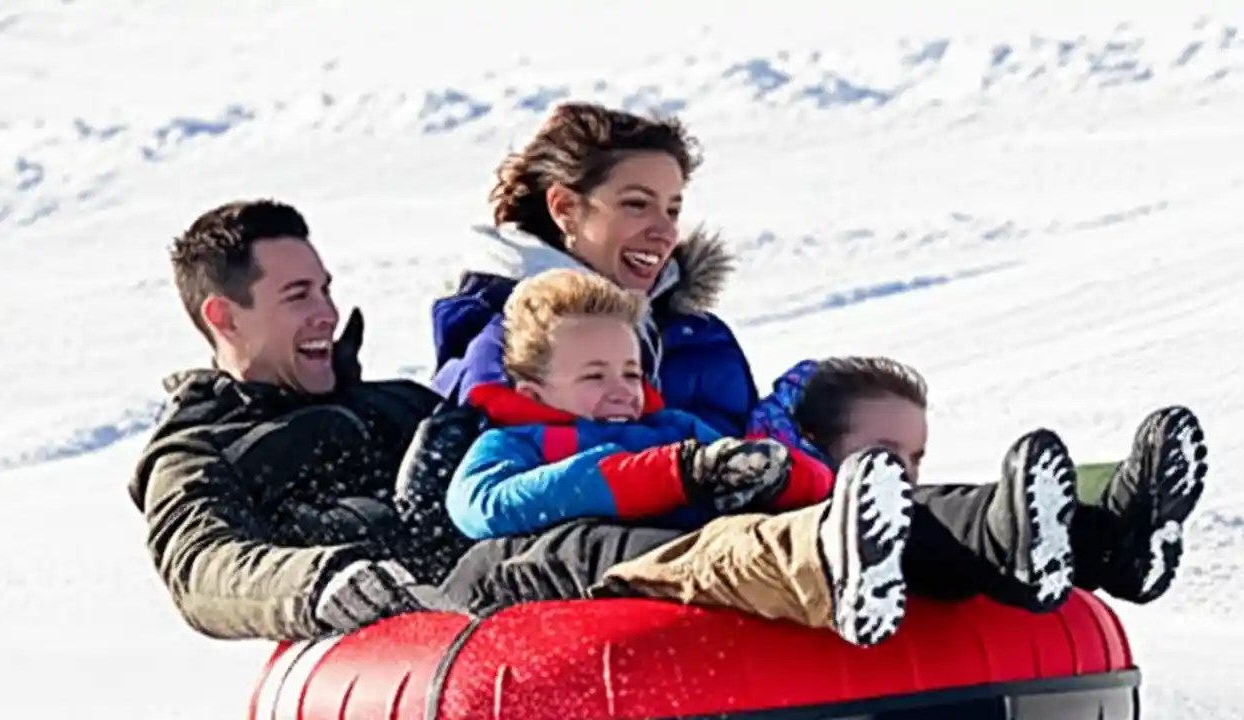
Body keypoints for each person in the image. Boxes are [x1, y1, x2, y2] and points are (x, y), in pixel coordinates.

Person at [443, 268, 916, 646]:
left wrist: (779, 474)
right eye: (594, 376)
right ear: (533, 392)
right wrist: (660, 475)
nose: (621, 391)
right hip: (630, 572)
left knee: (873, 510)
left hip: (719, 548)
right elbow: (481, 505)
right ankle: (828, 569)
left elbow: (779, 474)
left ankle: (951, 536)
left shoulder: (673, 428)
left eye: (631, 373)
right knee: (724, 546)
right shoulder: (514, 443)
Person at [128, 199, 468, 642]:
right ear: (225, 317)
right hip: (389, 658)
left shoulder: (404, 404)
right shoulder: (200, 453)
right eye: (298, 295)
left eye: (325, 290)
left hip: (511, 609)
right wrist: (316, 581)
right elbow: (203, 565)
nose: (328, 314)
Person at [747, 357, 1211, 608]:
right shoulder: (773, 506)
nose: (906, 470)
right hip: (827, 559)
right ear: (810, 441)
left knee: (947, 507)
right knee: (925, 517)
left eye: (916, 456)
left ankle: (1116, 537)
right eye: (886, 453)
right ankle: (1004, 536)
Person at [428, 101, 756, 436]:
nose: (665, 232)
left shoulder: (696, 335)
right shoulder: (515, 342)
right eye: (637, 204)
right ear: (565, 207)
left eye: (672, 210)